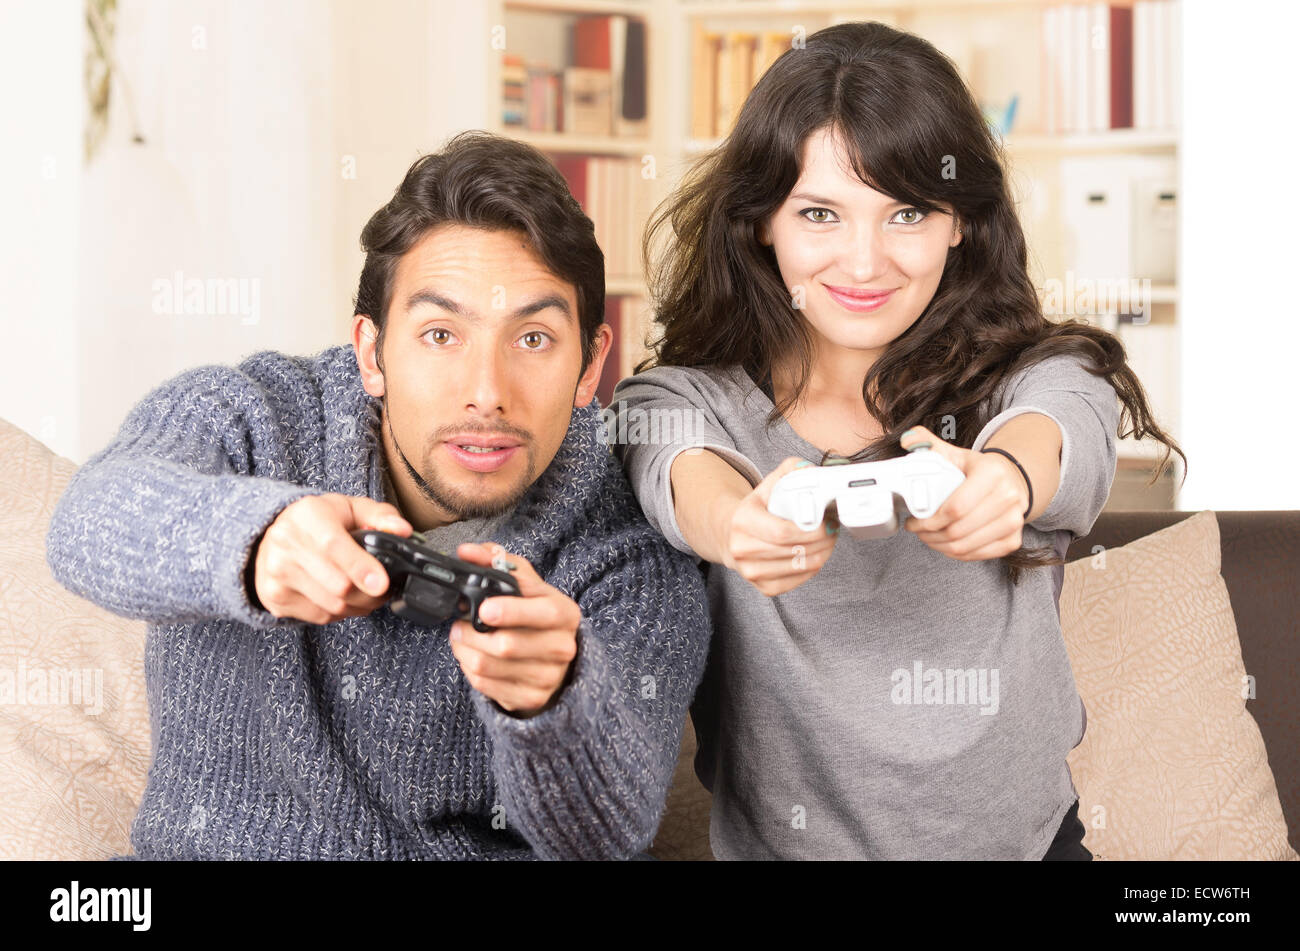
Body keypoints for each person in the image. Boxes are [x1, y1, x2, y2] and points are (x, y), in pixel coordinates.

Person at [46, 130, 711, 860]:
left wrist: (552, 702)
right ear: (371, 352)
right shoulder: (251, 423)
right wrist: (255, 539)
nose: (486, 393)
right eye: (439, 334)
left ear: (590, 368)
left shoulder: (634, 562)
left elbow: (608, 837)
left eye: (532, 340)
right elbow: (89, 519)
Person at [612, 21, 1185, 860]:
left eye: (907, 212)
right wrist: (740, 526)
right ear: (762, 224)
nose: (864, 260)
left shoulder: (1035, 377)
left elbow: (1060, 420)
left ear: (961, 223)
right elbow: (676, 466)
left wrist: (1004, 480)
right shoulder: (684, 399)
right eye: (819, 213)